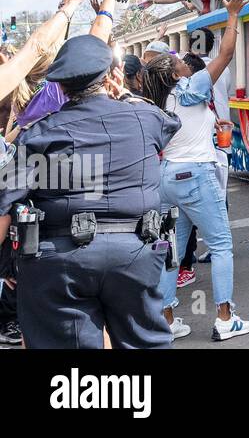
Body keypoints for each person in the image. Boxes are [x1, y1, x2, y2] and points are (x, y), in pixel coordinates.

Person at [0, 28, 182, 349]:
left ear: (60, 85)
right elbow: (169, 122)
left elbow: (4, 201)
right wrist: (123, 94)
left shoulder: (39, 134)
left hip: (60, 263)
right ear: (111, 76)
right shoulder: (146, 119)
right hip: (136, 255)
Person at [139, 0, 249, 342]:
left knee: (170, 251)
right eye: (177, 62)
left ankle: (167, 319)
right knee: (220, 245)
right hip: (196, 173)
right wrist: (232, 15)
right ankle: (224, 317)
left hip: (167, 178)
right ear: (174, 74)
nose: (182, 60)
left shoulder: (157, 98)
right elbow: (227, 52)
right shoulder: (191, 87)